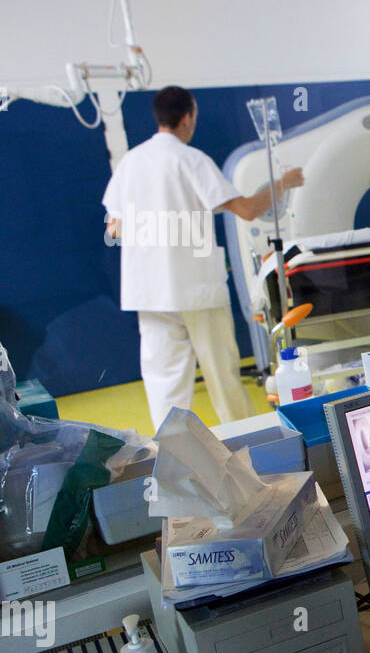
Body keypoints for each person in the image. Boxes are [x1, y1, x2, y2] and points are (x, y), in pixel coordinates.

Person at [102, 85, 305, 430]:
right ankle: (249, 445)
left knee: (164, 386)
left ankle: (175, 454)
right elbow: (246, 210)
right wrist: (282, 183)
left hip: (150, 294)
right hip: (196, 289)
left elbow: (114, 229)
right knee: (223, 380)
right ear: (187, 118)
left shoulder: (130, 163)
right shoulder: (191, 160)